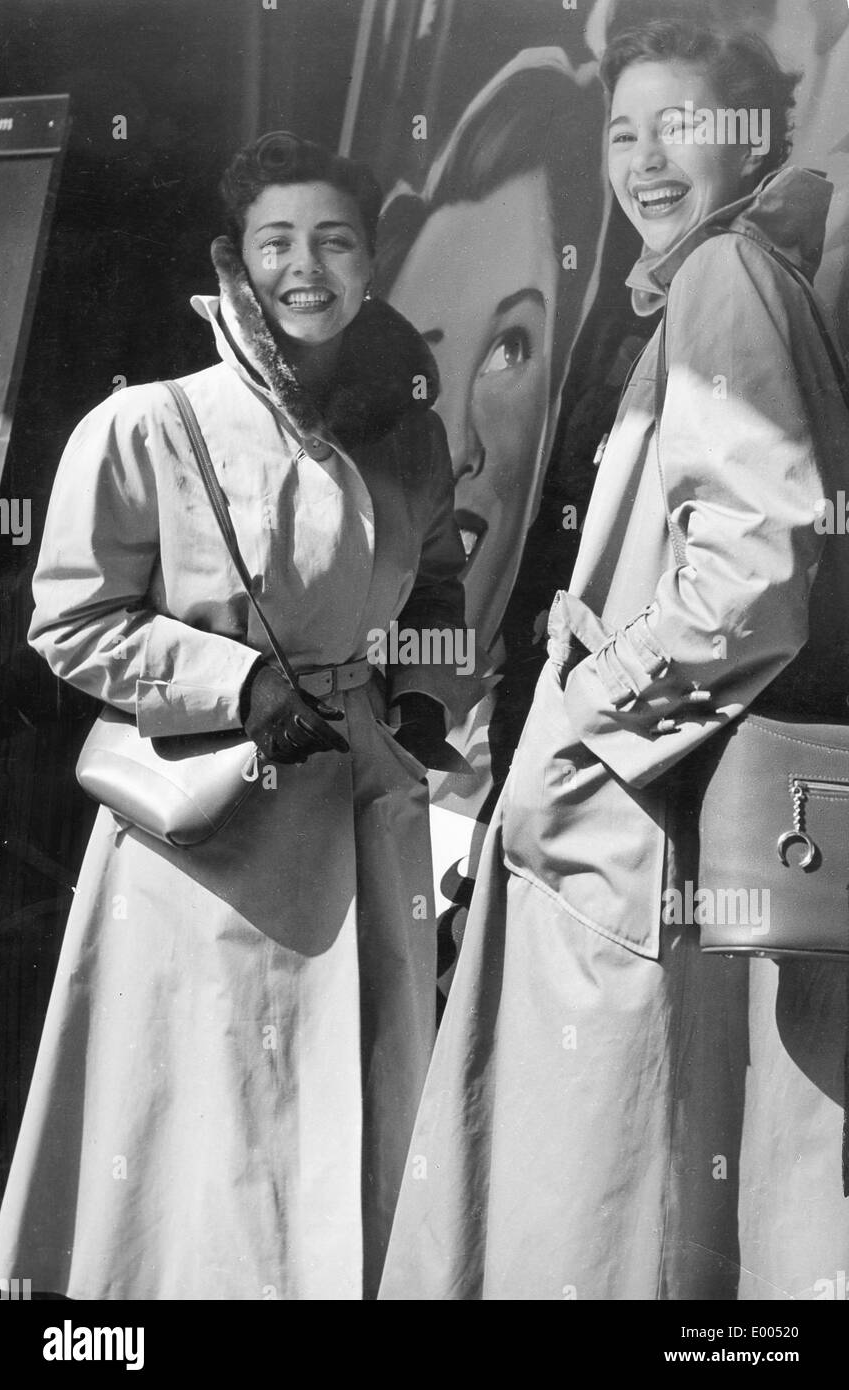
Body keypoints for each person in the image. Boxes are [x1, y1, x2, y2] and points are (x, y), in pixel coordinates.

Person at [379, 18, 849, 1300]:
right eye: (623, 130)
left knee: (580, 1199)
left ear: (744, 140)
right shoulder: (732, 279)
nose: (642, 160)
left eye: (678, 127)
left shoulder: (723, 279)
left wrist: (593, 696)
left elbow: (757, 566)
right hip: (637, 836)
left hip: (624, 841)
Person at [0, 131, 481, 1300]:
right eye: (278, 244)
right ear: (235, 263)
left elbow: (443, 587)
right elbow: (71, 622)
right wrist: (243, 686)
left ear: (370, 265)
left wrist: (416, 698)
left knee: (350, 1103)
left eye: (335, 243)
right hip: (208, 834)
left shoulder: (404, 437)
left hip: (362, 814)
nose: (305, 269)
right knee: (209, 1115)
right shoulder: (149, 425)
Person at [374, 50, 606, 984]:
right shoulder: (335, 694)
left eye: (511, 347)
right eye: (427, 372)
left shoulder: (567, 719)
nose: (461, 440)